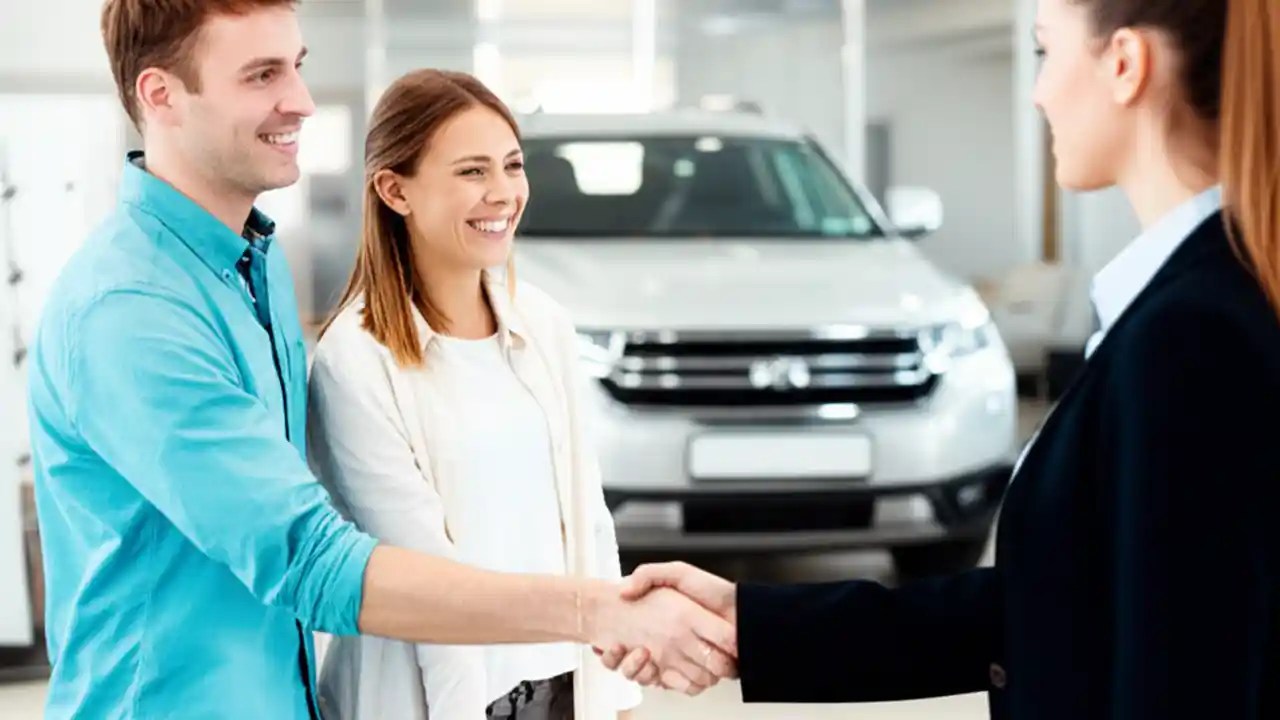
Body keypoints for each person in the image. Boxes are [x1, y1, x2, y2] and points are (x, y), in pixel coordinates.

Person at [24, 2, 735, 718]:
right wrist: (603, 613)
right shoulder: (130, 311)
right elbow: (311, 558)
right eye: (261, 74)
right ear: (160, 94)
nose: (300, 101)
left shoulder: (250, 266)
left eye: (296, 67)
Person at [605, 0, 1280, 717]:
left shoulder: (1190, 338)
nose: (1037, 90)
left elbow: (1183, 682)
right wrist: (750, 621)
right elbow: (1056, 605)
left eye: (1045, 51)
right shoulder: (1199, 302)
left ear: (1124, 65)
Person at [305, 69, 643, 720]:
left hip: (563, 684)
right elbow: (425, 584)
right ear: (394, 190)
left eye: (512, 166)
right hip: (437, 701)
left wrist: (618, 695)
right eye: (471, 172)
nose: (503, 194)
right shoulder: (356, 359)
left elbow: (589, 526)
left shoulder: (543, 323)